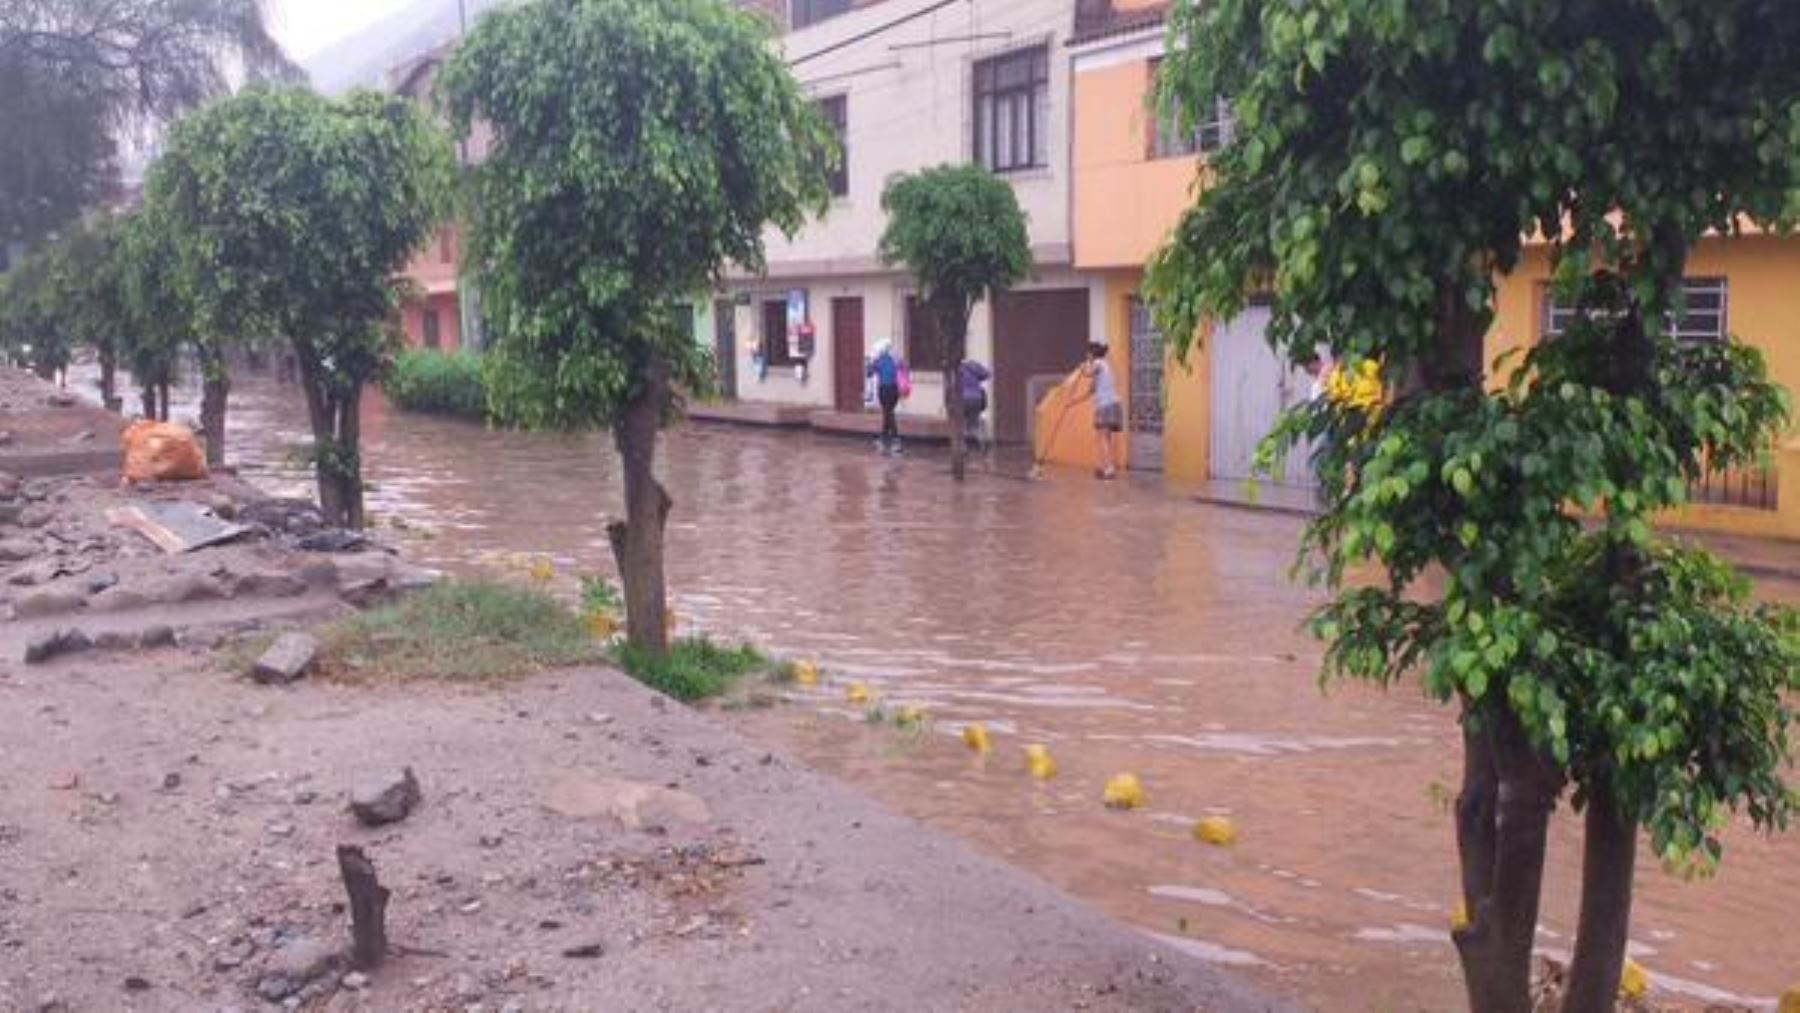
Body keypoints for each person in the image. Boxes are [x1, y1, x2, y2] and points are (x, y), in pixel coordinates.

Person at [1085, 341, 1122, 479]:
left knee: (1103, 438)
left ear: (1092, 354)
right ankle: (1103, 467)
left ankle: (1109, 469)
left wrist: (1083, 368)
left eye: (1088, 353)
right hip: (1112, 404)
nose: (1086, 355)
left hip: (1106, 405)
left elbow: (1088, 373)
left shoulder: (1099, 363)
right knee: (1104, 438)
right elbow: (1091, 390)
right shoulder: (1104, 366)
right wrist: (1072, 403)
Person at [867, 339, 903, 455]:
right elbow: (902, 368)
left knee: (888, 413)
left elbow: (869, 373)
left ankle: (896, 440)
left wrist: (871, 361)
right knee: (888, 413)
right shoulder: (895, 359)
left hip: (884, 390)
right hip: (895, 390)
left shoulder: (880, 360)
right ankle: (883, 438)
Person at [957, 356, 991, 449]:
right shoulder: (974, 365)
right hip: (977, 398)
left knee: (962, 422)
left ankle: (964, 446)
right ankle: (982, 442)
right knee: (974, 422)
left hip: (963, 399)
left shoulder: (958, 369)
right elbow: (987, 374)